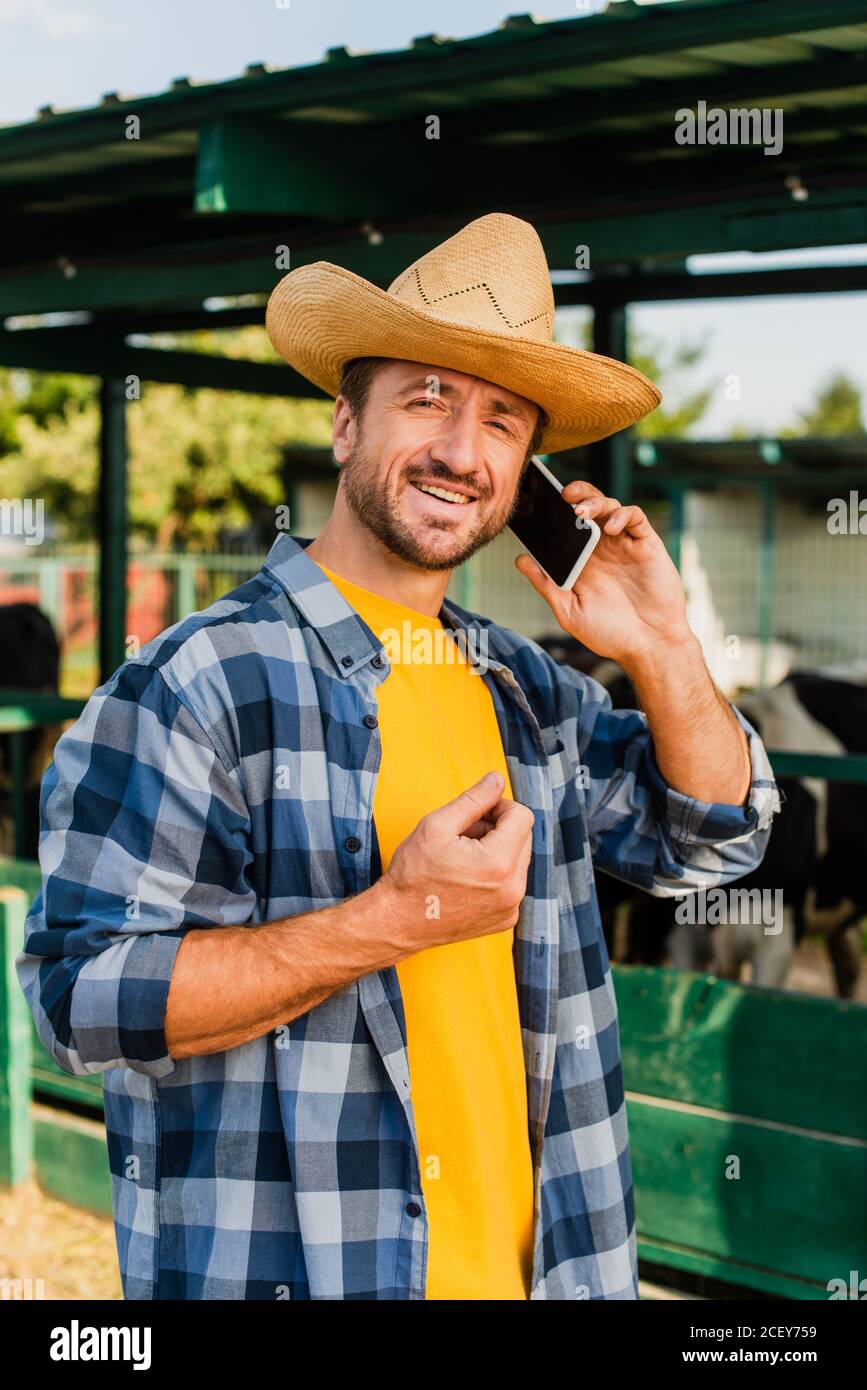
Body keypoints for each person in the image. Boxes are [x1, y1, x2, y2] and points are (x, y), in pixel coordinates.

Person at [17, 213, 780, 1301]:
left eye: (504, 422)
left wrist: (661, 646)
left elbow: (717, 832)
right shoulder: (195, 684)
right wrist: (393, 918)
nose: (463, 452)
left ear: (528, 475)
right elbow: (80, 997)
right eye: (427, 397)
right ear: (343, 422)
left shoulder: (528, 691)